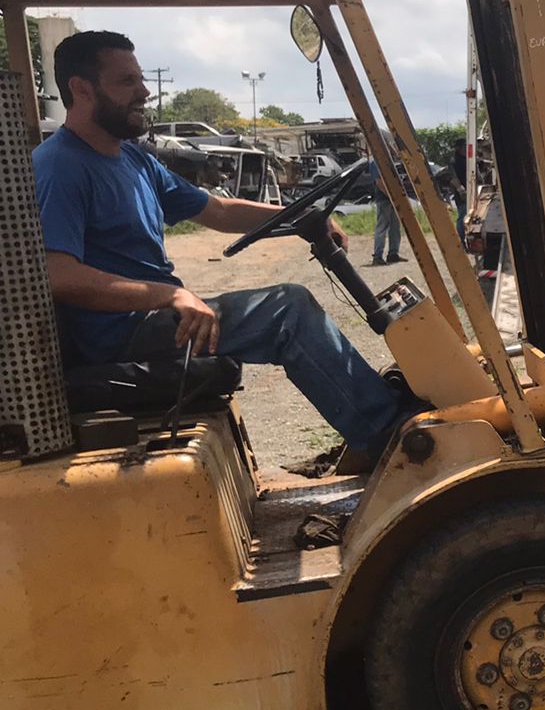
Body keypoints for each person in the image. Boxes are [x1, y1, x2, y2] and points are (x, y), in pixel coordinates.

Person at [33, 30, 407, 457]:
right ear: (81, 89)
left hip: (151, 320)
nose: (145, 92)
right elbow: (57, 274)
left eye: (141, 79)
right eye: (127, 82)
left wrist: (303, 216)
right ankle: (391, 437)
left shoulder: (133, 160)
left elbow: (218, 211)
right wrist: (171, 294)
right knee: (287, 309)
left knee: (286, 306)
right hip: (119, 335)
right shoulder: (60, 167)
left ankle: (378, 420)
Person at [368, 144, 405, 266]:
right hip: (384, 198)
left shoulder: (386, 161)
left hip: (392, 198)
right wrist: (391, 195)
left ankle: (393, 254)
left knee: (395, 226)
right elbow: (379, 182)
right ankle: (377, 256)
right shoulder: (375, 162)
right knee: (382, 227)